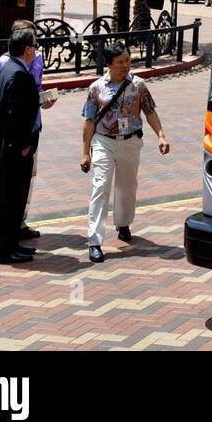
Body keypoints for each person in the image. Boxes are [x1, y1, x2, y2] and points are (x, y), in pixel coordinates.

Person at [81, 43, 170, 263]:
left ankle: (123, 223)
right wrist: (85, 153)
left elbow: (150, 111)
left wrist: (161, 135)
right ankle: (94, 241)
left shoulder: (139, 85)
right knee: (101, 187)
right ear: (109, 65)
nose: (125, 65)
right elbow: (89, 121)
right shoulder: (96, 88)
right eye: (120, 62)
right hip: (104, 142)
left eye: (128, 60)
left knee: (127, 187)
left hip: (130, 141)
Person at [0, 19, 54, 244]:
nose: (36, 47)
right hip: (13, 136)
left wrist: (42, 102)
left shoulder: (37, 61)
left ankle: (18, 223)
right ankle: (0, 225)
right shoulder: (5, 65)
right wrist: (10, 134)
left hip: (32, 128)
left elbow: (34, 92)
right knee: (8, 183)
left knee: (26, 178)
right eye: (33, 42)